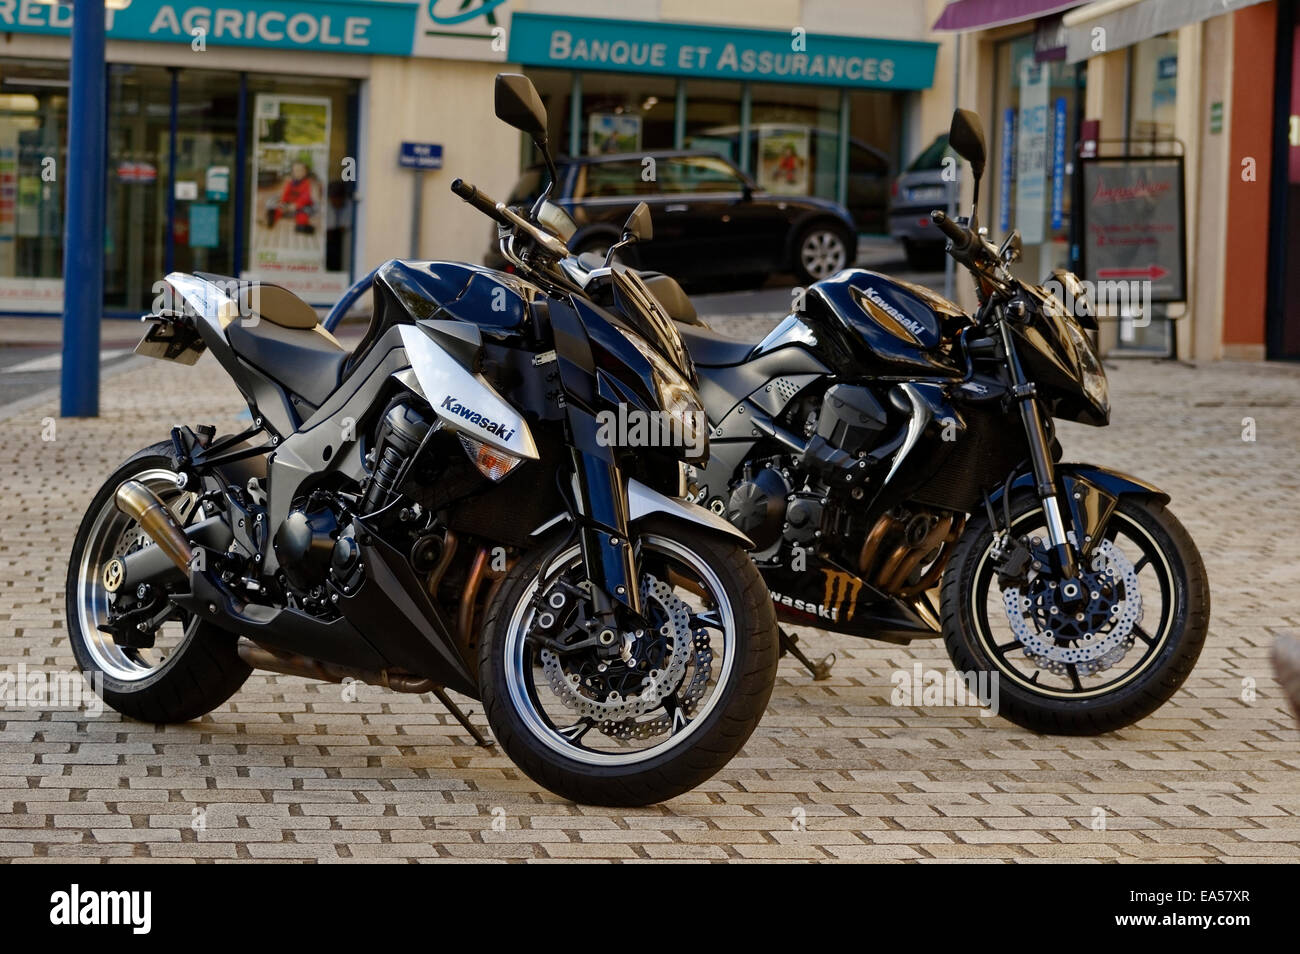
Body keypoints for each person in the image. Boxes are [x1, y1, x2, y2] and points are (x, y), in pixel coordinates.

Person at [266, 160, 318, 234]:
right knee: (278, 207)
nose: (298, 173)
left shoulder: (306, 184)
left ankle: (301, 226)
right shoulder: (290, 183)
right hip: (289, 204)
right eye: (296, 171)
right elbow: (285, 194)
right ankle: (271, 218)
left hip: (301, 206)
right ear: (292, 172)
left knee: (303, 213)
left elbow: (305, 197)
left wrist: (296, 205)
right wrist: (283, 203)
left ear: (305, 172)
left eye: (300, 171)